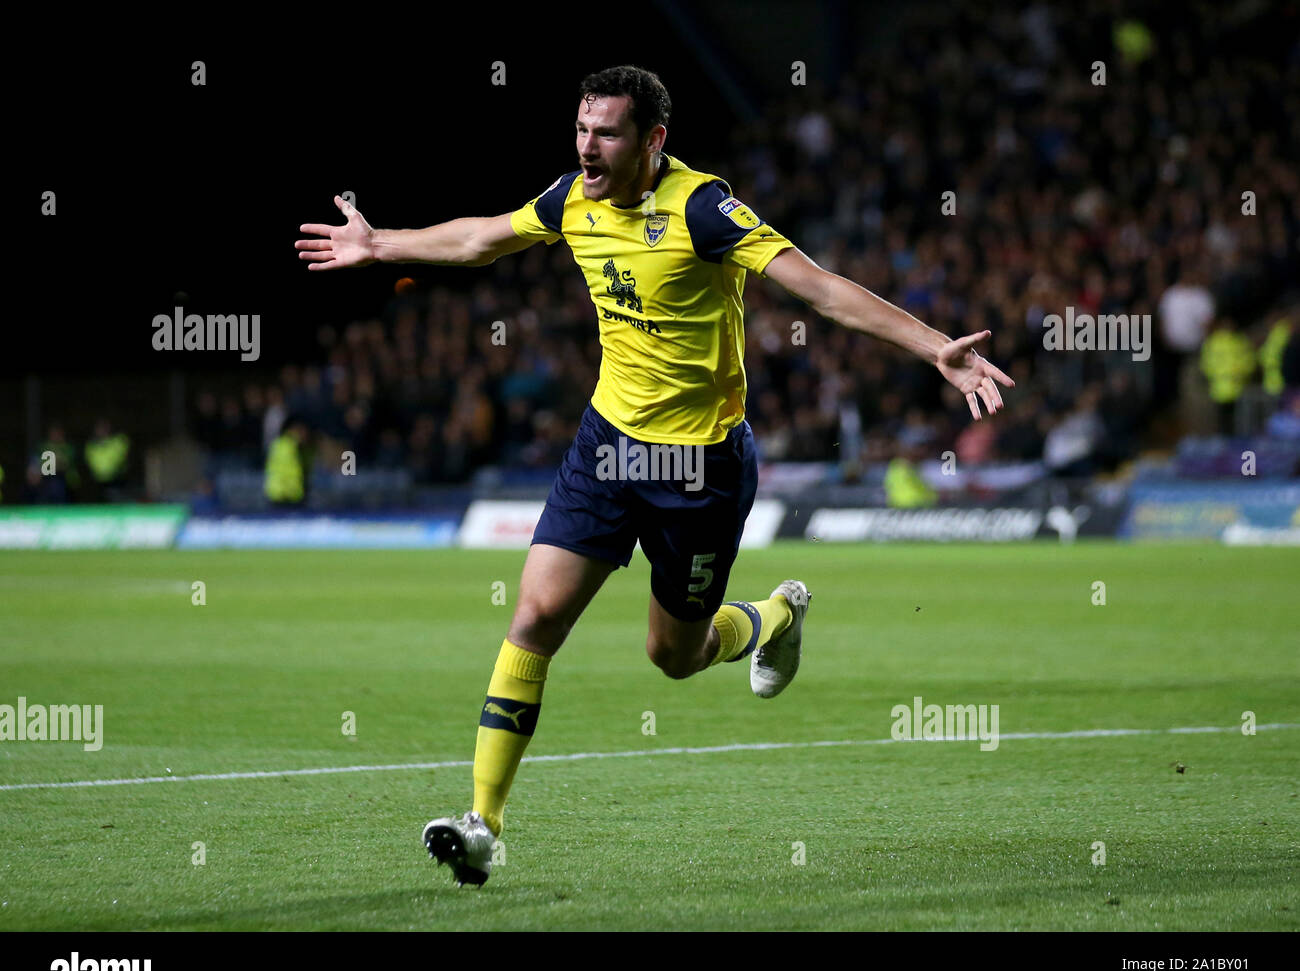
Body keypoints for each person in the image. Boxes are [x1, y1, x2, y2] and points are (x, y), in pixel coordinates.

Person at [296, 65, 1014, 887]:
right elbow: (480, 239)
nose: (586, 147)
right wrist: (379, 243)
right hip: (608, 450)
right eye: (580, 129)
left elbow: (817, 290)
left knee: (672, 656)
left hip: (699, 470)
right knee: (534, 617)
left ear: (652, 141)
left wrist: (934, 349)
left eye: (605, 133)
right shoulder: (573, 200)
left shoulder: (706, 209)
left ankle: (774, 617)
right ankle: (483, 824)